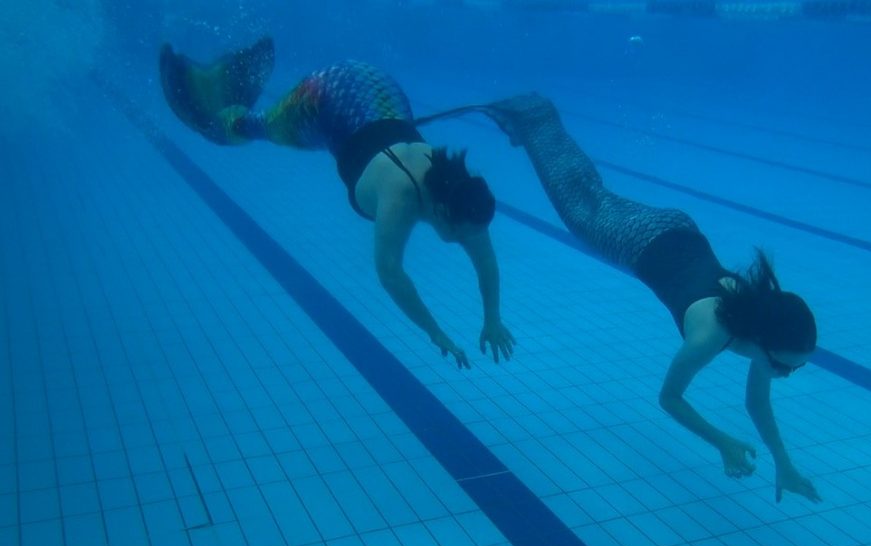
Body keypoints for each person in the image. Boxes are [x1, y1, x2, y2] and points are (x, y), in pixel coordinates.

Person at [425, 94, 820, 501]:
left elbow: (757, 403)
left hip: (677, 228)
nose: (782, 375)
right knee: (575, 201)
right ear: (764, 344)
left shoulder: (759, 330)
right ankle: (531, 118)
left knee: (591, 190)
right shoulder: (710, 335)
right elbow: (669, 398)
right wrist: (721, 441)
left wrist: (784, 464)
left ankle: (535, 122)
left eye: (792, 370)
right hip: (635, 241)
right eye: (785, 367)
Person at [158, 37, 515, 368]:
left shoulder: (462, 194)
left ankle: (228, 90)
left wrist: (493, 318)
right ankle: (211, 106)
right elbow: (390, 273)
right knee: (258, 127)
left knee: (268, 125)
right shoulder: (400, 197)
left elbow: (486, 259)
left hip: (379, 90)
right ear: (440, 213)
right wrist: (435, 331)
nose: (466, 242)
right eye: (462, 235)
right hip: (326, 97)